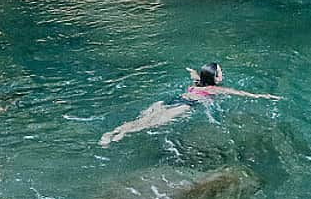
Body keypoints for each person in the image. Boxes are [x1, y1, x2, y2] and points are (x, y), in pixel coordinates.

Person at [99, 62, 281, 146]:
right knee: (150, 124)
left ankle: (114, 132)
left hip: (168, 101)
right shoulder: (215, 90)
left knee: (144, 118)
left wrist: (192, 71)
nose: (222, 74)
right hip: (183, 106)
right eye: (220, 72)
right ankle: (119, 135)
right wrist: (267, 97)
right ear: (215, 79)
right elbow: (242, 93)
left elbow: (195, 76)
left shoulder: (198, 83)